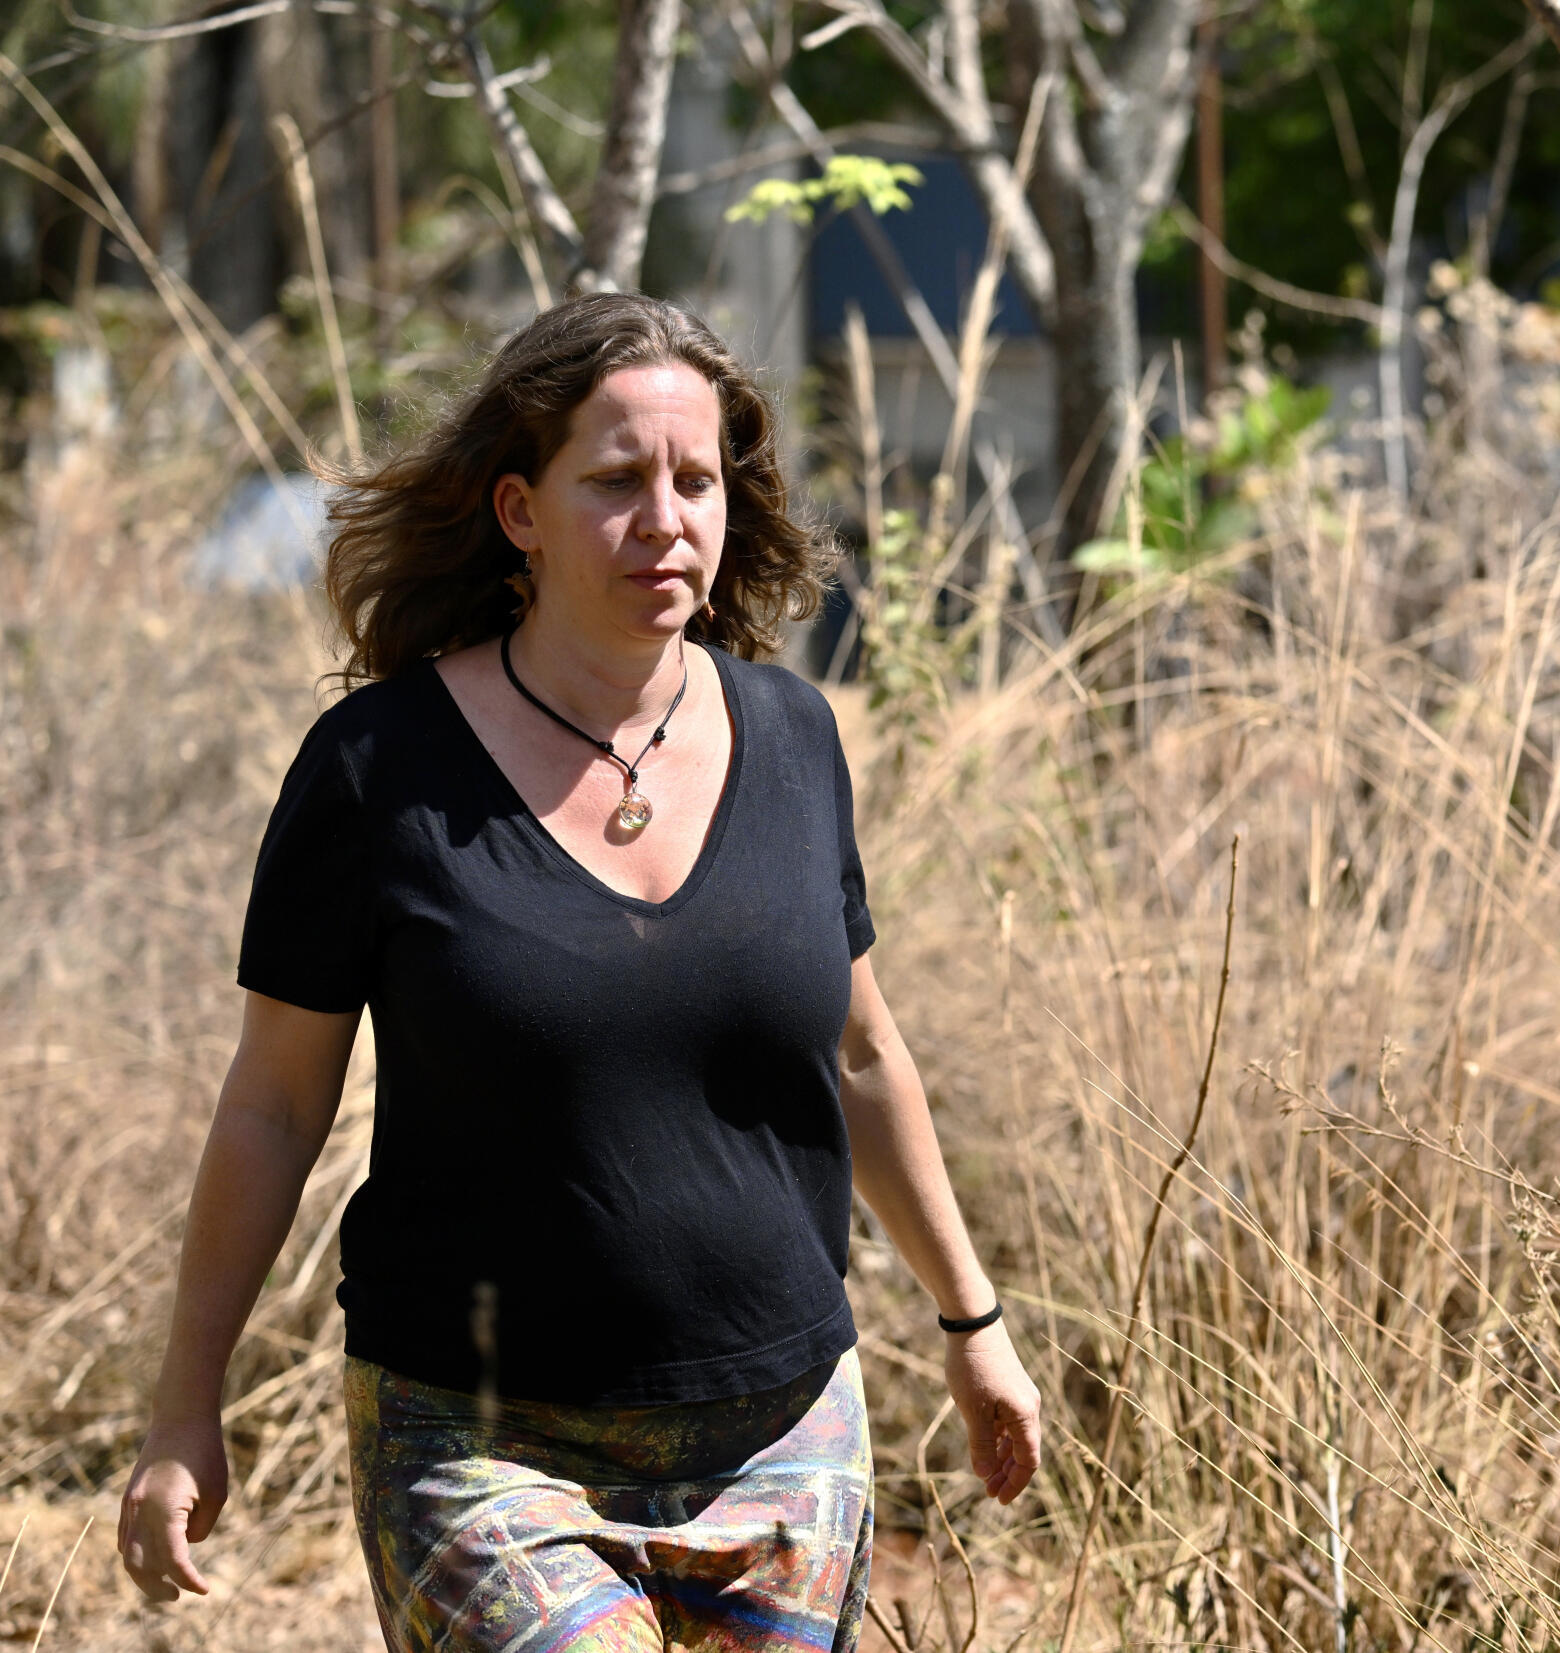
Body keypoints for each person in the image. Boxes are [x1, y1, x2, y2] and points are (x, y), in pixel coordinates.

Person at [115, 293, 1040, 1652]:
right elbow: (273, 1103)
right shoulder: (378, 771)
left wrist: (974, 1321)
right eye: (615, 481)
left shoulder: (792, 734)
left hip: (784, 1428)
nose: (666, 520)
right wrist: (185, 1404)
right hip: (481, 1440)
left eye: (697, 480)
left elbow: (859, 1052)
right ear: (518, 511)